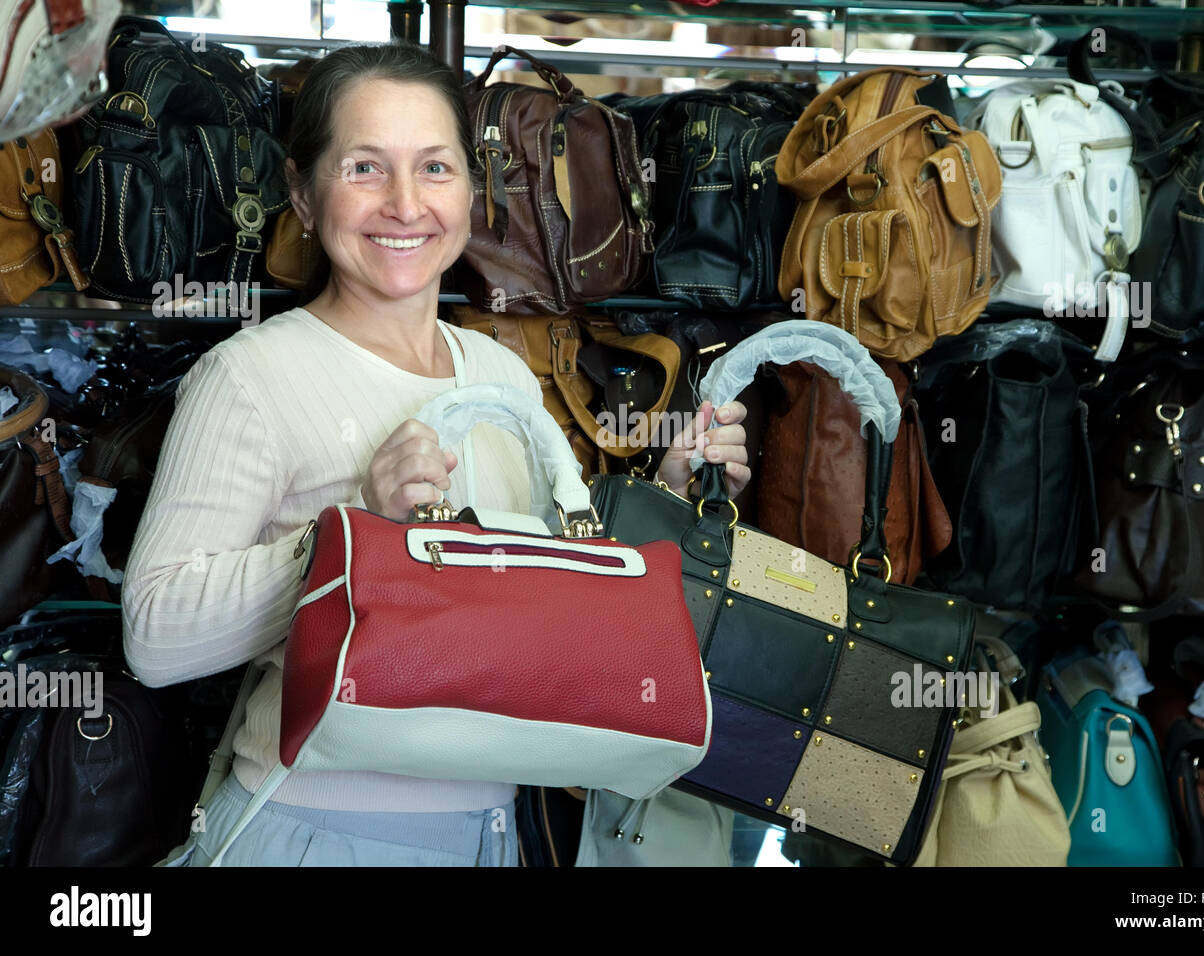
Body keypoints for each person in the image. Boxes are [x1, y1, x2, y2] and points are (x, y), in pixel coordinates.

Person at [123, 42, 751, 867]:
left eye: (436, 168)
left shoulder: (497, 372)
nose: (405, 204)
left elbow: (527, 590)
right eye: (363, 168)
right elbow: (154, 638)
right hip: (315, 836)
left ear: (470, 187)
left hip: (492, 833)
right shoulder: (251, 377)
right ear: (302, 194)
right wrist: (353, 532)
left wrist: (663, 492)